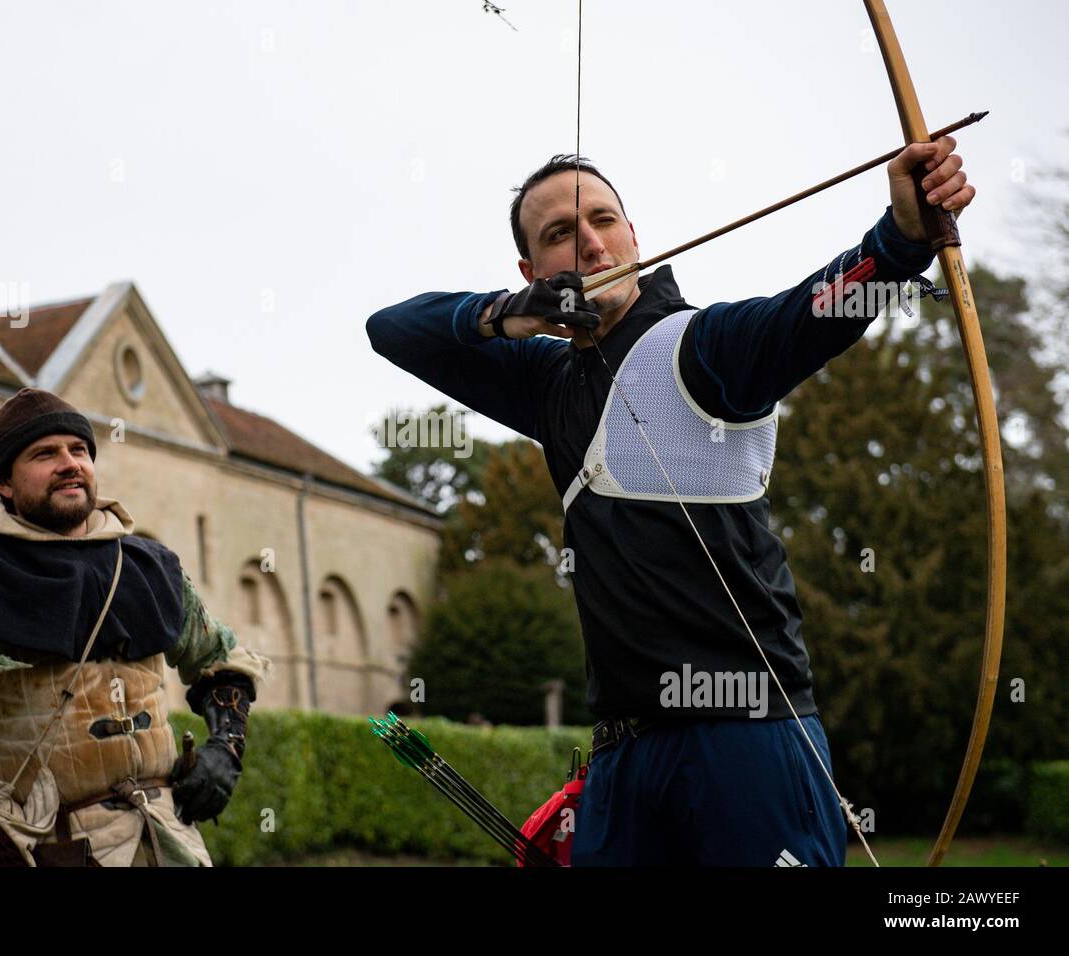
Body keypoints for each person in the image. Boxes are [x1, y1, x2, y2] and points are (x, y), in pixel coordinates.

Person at [366, 139, 975, 865]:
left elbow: (811, 314)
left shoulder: (703, 345)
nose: (590, 243)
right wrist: (504, 314)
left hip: (745, 736)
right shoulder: (546, 382)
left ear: (635, 238)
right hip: (624, 759)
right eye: (560, 234)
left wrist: (901, 240)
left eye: (604, 220)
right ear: (532, 272)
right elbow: (390, 329)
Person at [0, 387, 270, 866]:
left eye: (79, 450)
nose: (69, 463)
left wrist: (226, 749)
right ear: (6, 485)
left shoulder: (149, 566)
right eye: (44, 454)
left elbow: (223, 660)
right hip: (51, 847)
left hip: (171, 841)